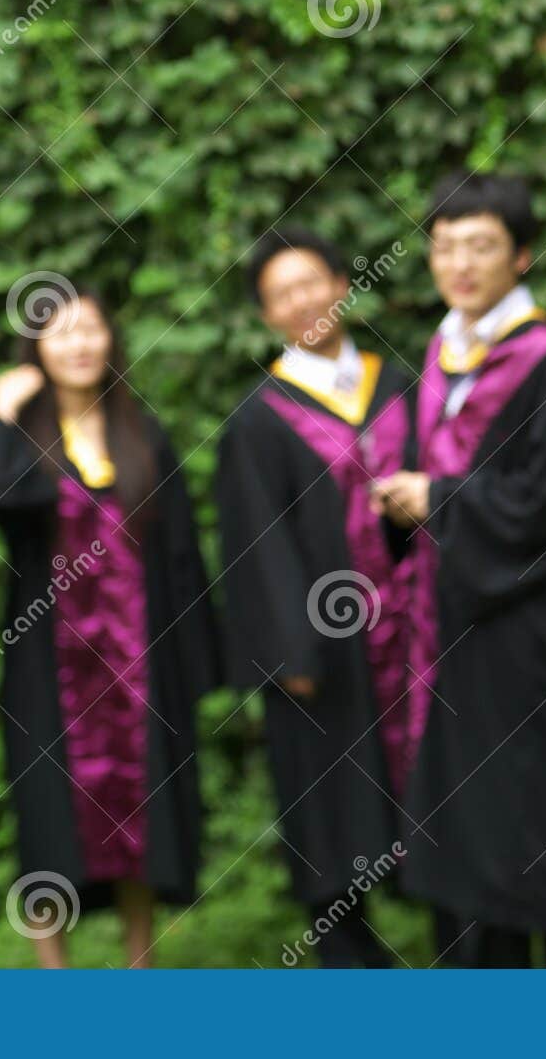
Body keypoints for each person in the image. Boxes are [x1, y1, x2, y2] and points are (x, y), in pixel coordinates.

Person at [371, 172, 546, 968]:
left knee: (545, 829)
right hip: (454, 637)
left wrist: (440, 498)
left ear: (521, 256)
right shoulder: (441, 357)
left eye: (480, 246)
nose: (459, 263)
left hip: (535, 647)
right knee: (468, 844)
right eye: (444, 246)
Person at [0, 282, 218, 968]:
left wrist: (195, 665)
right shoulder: (27, 439)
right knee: (49, 822)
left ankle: (139, 966)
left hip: (139, 666)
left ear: (111, 339)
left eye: (90, 329)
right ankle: (54, 975)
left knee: (142, 822)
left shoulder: (141, 433)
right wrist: (2, 418)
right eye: (61, 332)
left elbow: (182, 554)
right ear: (36, 347)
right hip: (51, 666)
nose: (79, 344)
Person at [214, 227, 412, 968]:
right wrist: (289, 651)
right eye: (280, 293)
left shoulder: (399, 385)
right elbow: (254, 546)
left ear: (340, 284)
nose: (302, 300)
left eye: (311, 281)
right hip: (323, 650)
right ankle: (350, 957)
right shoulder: (259, 418)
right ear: (267, 314)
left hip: (412, 629)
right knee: (330, 802)